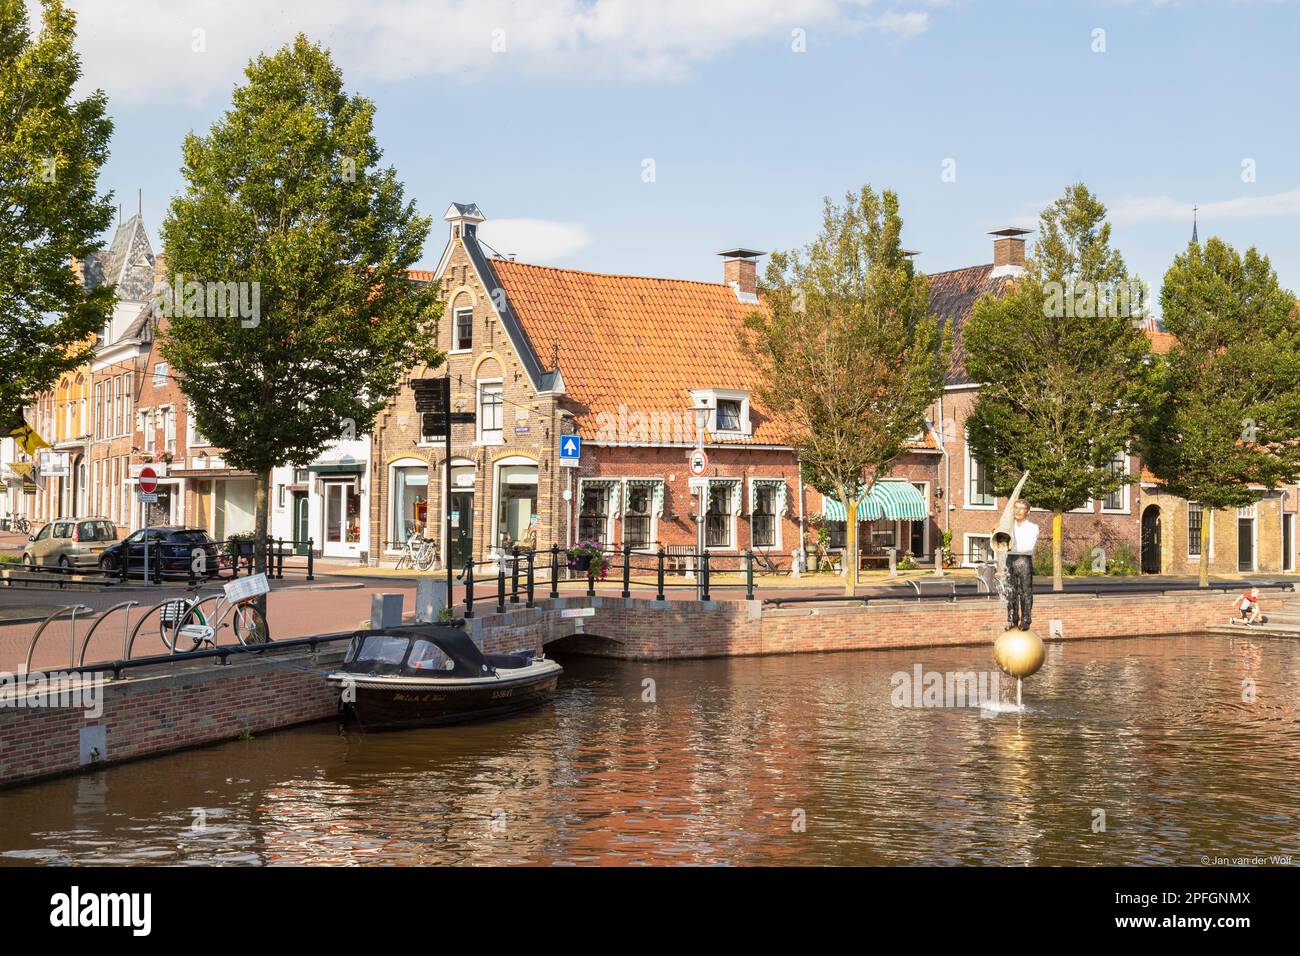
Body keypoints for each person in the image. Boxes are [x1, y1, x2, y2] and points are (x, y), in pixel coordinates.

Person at [1006, 499, 1039, 631]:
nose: (1018, 511)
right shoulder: (1008, 526)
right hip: (1010, 559)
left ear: (1028, 512)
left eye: (1021, 508)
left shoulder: (1033, 527)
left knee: (1026, 592)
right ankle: (1012, 618)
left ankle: (1026, 619)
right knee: (1010, 591)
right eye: (1016, 508)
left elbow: (1027, 546)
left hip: (1024, 559)